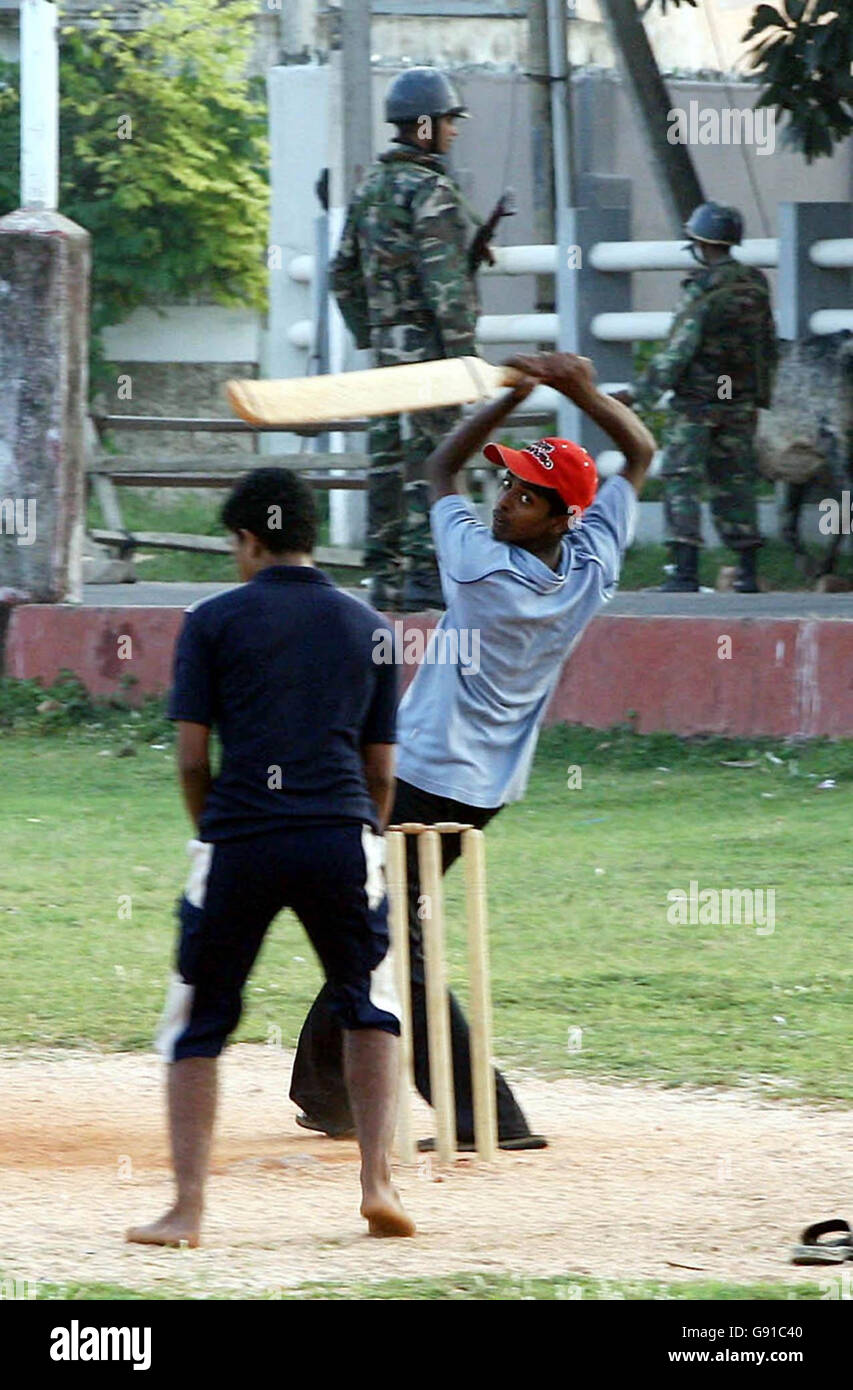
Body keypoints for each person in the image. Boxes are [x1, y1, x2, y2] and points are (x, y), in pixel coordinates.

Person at [290, 352, 656, 1150]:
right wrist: (580, 393)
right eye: (508, 488)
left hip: (422, 773)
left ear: (559, 516)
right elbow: (640, 453)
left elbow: (439, 465)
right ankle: (325, 1092)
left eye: (527, 497)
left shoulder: (480, 569)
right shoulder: (592, 563)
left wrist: (509, 399)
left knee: (392, 937)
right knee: (369, 922)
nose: (506, 504)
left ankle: (488, 1116)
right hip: (484, 787)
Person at [126, 468, 415, 1246]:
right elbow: (381, 767)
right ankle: (377, 1183)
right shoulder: (370, 626)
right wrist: (363, 830)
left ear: (249, 539)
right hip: (340, 833)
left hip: (240, 836)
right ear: (308, 536)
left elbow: (192, 757)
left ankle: (186, 1209)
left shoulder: (212, 620)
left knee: (199, 1021)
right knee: (369, 1003)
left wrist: (214, 826)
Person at [331, 66, 481, 613]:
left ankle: (386, 576)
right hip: (429, 350)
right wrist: (464, 357)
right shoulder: (432, 190)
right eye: (447, 120)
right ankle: (426, 573)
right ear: (424, 126)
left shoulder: (369, 189)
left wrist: (372, 332)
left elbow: (339, 272)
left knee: (387, 459)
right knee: (434, 456)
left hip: (387, 353)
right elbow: (447, 285)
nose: (454, 130)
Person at [620, 201, 777, 593]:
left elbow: (679, 351)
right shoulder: (755, 284)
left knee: (681, 479)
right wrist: (760, 394)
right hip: (739, 402)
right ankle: (746, 570)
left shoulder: (703, 289)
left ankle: (684, 572)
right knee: (736, 480)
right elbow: (768, 345)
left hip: (697, 403)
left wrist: (637, 395)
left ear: (700, 243)